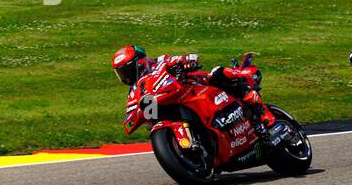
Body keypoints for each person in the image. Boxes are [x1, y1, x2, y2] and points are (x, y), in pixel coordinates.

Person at [111, 45, 278, 134]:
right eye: (120, 73)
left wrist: (186, 61)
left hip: (193, 85)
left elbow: (177, 59)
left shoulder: (159, 62)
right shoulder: (134, 92)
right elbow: (135, 113)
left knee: (220, 73)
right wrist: (144, 118)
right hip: (168, 104)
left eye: (125, 70)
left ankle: (264, 115)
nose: (124, 76)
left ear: (139, 63)